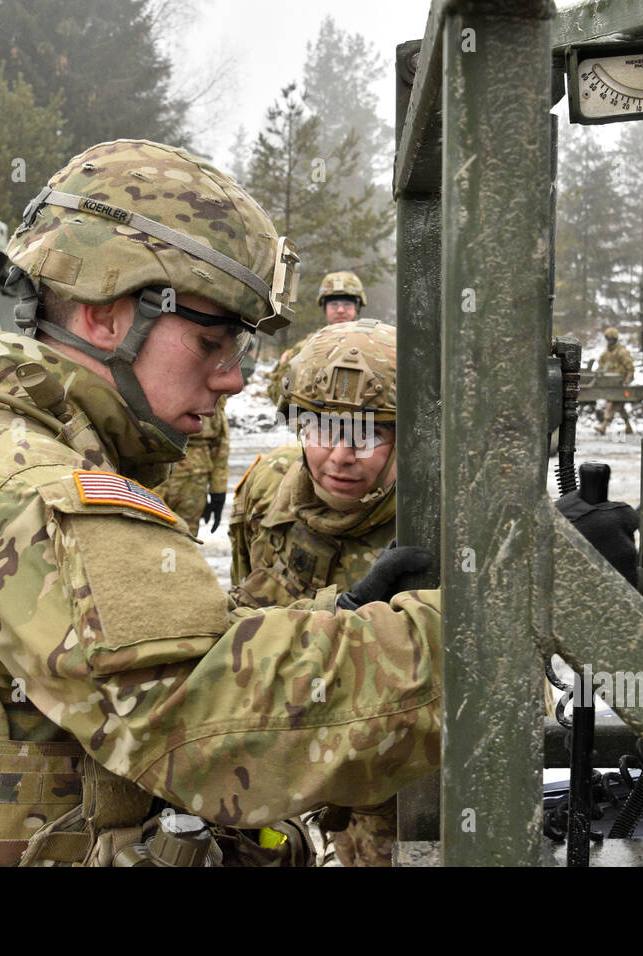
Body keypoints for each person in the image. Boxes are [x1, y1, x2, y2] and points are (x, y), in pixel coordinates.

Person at [0, 140, 439, 867]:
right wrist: (462, 639)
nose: (232, 380)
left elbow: (155, 647)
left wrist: (339, 621)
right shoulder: (33, 491)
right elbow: (219, 729)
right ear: (108, 315)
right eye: (211, 342)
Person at [230, 318, 401, 867]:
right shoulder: (264, 492)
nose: (339, 456)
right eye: (322, 429)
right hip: (286, 769)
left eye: (368, 433)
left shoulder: (444, 518)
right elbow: (236, 622)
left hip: (399, 785)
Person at [266, 270, 365, 406]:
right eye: (334, 304)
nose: (340, 310)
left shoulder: (377, 344)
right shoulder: (304, 348)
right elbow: (276, 394)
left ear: (357, 307)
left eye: (347, 304)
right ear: (325, 308)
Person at [154, 394, 229, 533]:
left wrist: (218, 491)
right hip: (153, 475)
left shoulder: (208, 389)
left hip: (191, 482)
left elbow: (219, 444)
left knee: (184, 539)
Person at [595, 327, 635, 435]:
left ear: (615, 340)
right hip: (610, 384)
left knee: (612, 404)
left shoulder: (622, 353)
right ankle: (628, 427)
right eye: (608, 339)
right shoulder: (605, 354)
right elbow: (601, 368)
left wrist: (626, 382)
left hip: (620, 384)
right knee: (619, 407)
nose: (609, 342)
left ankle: (603, 426)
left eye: (611, 339)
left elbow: (630, 369)